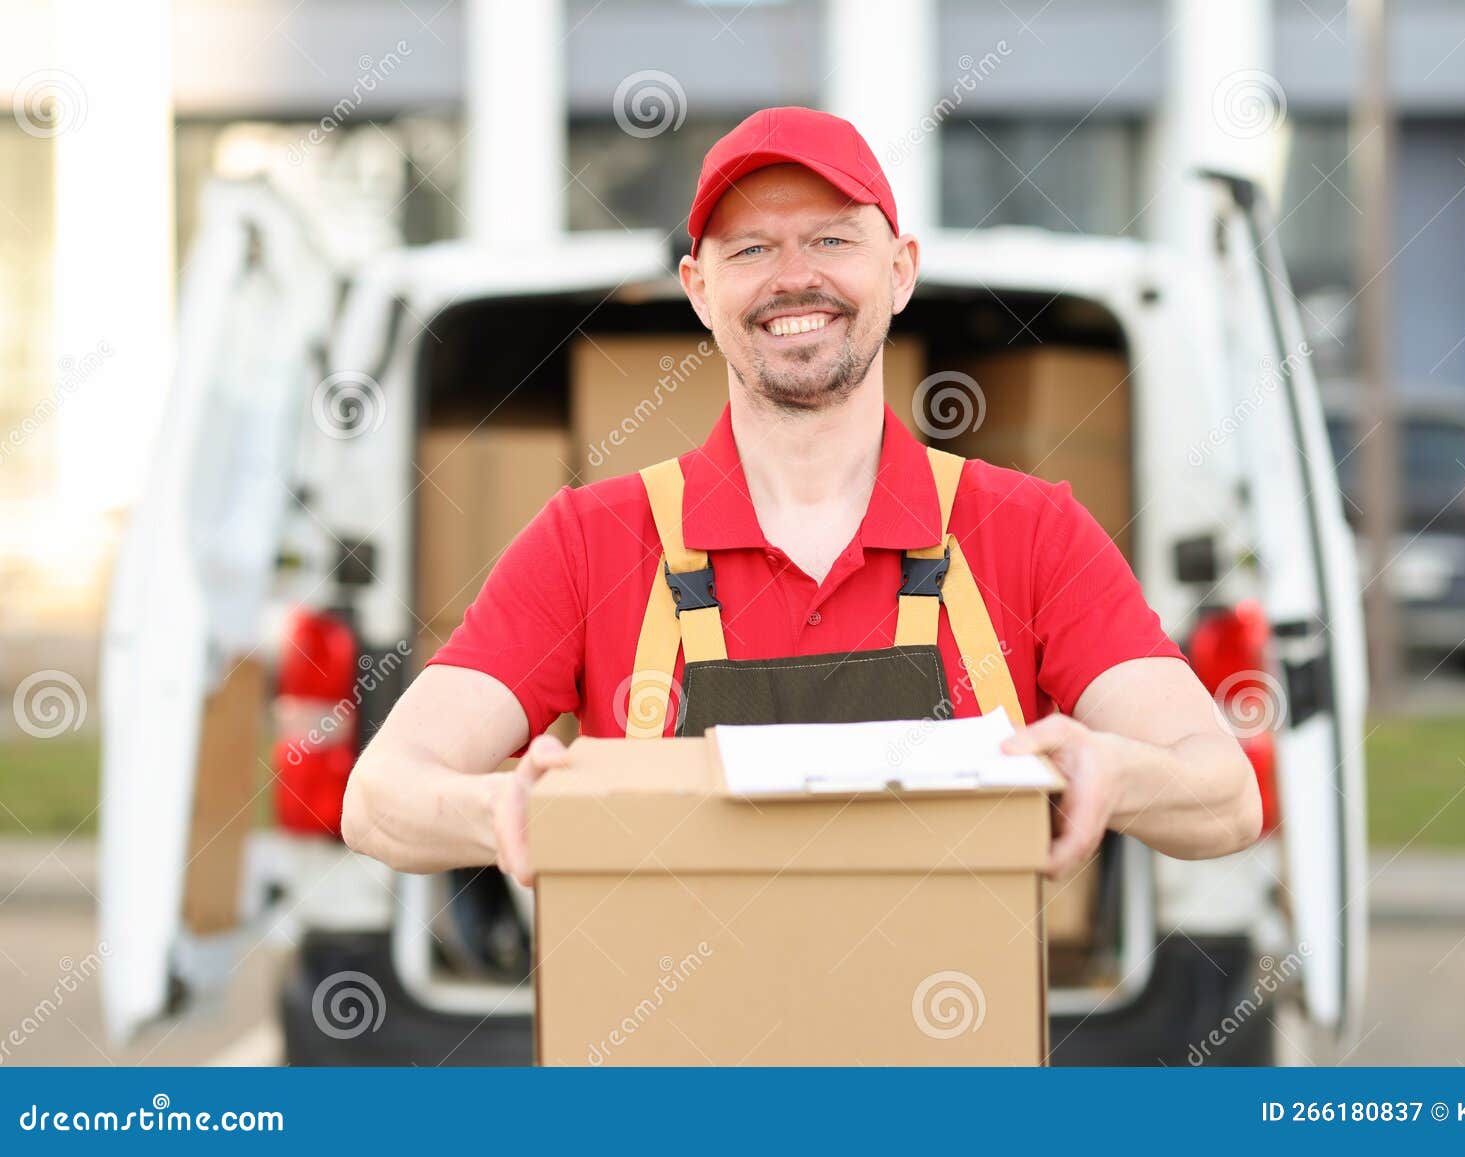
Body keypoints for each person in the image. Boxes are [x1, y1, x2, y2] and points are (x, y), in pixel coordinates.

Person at [341, 106, 1261, 885]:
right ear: (700, 290)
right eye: (752, 248)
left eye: (831, 238)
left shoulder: (1029, 532)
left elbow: (1224, 794)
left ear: (899, 269)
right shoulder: (590, 539)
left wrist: (1109, 770)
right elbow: (379, 796)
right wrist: (497, 807)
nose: (795, 277)